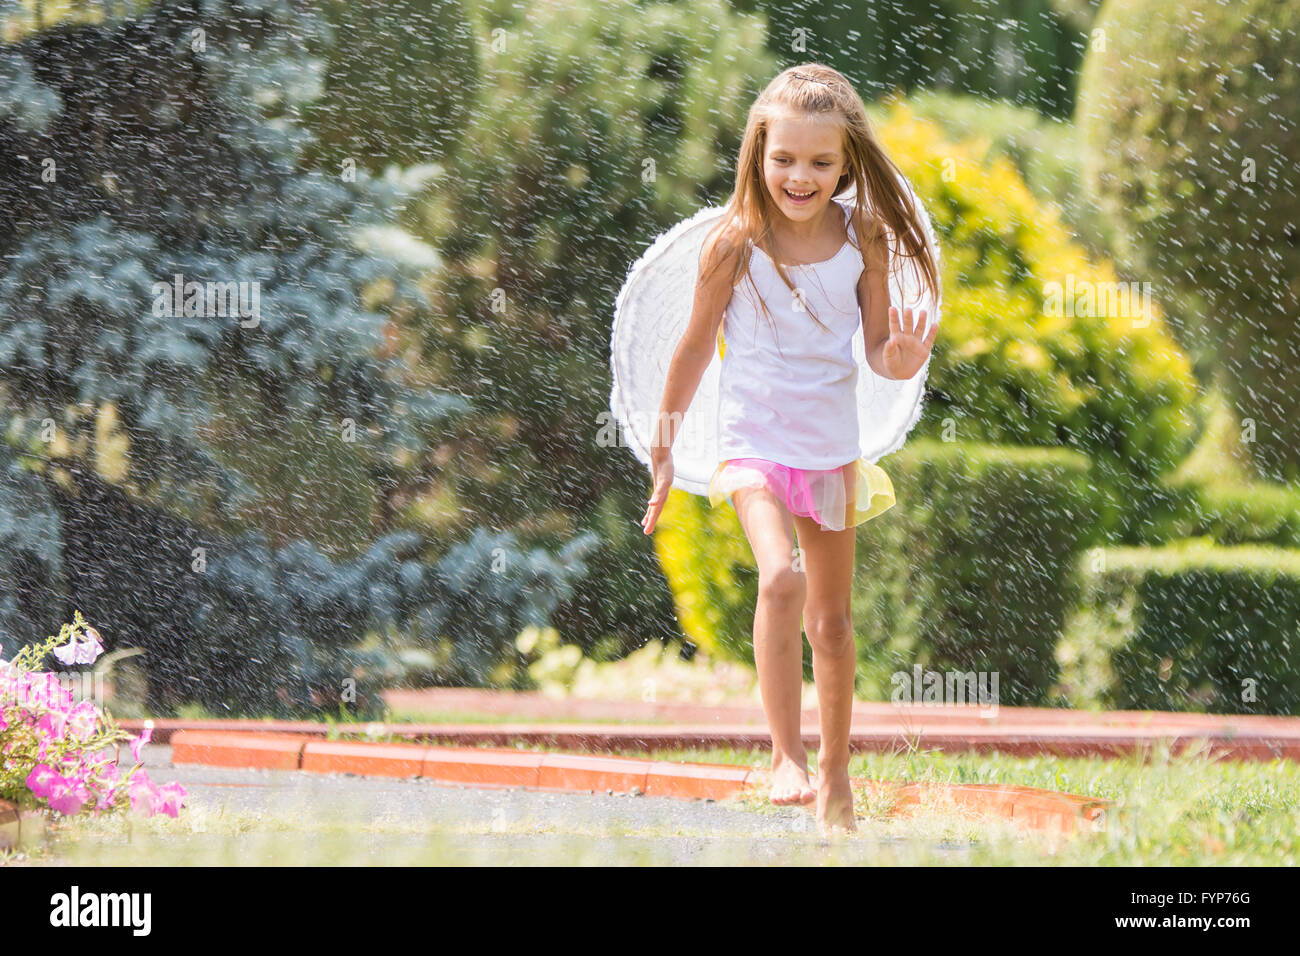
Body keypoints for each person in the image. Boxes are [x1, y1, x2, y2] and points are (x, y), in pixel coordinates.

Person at [638, 64, 940, 835]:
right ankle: (786, 756)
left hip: (829, 449)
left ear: (845, 165)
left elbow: (877, 346)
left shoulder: (862, 235)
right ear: (757, 153)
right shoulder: (736, 244)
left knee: (833, 627)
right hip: (754, 445)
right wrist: (666, 447)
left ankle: (837, 776)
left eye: (818, 162)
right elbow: (695, 346)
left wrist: (901, 359)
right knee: (780, 577)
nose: (799, 176)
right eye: (783, 159)